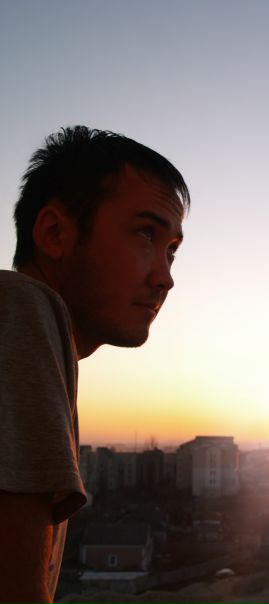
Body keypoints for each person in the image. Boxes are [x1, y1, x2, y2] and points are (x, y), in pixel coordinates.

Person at [0, 126, 190, 603]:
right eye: (145, 234)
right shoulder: (20, 307)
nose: (165, 278)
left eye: (171, 250)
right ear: (54, 233)